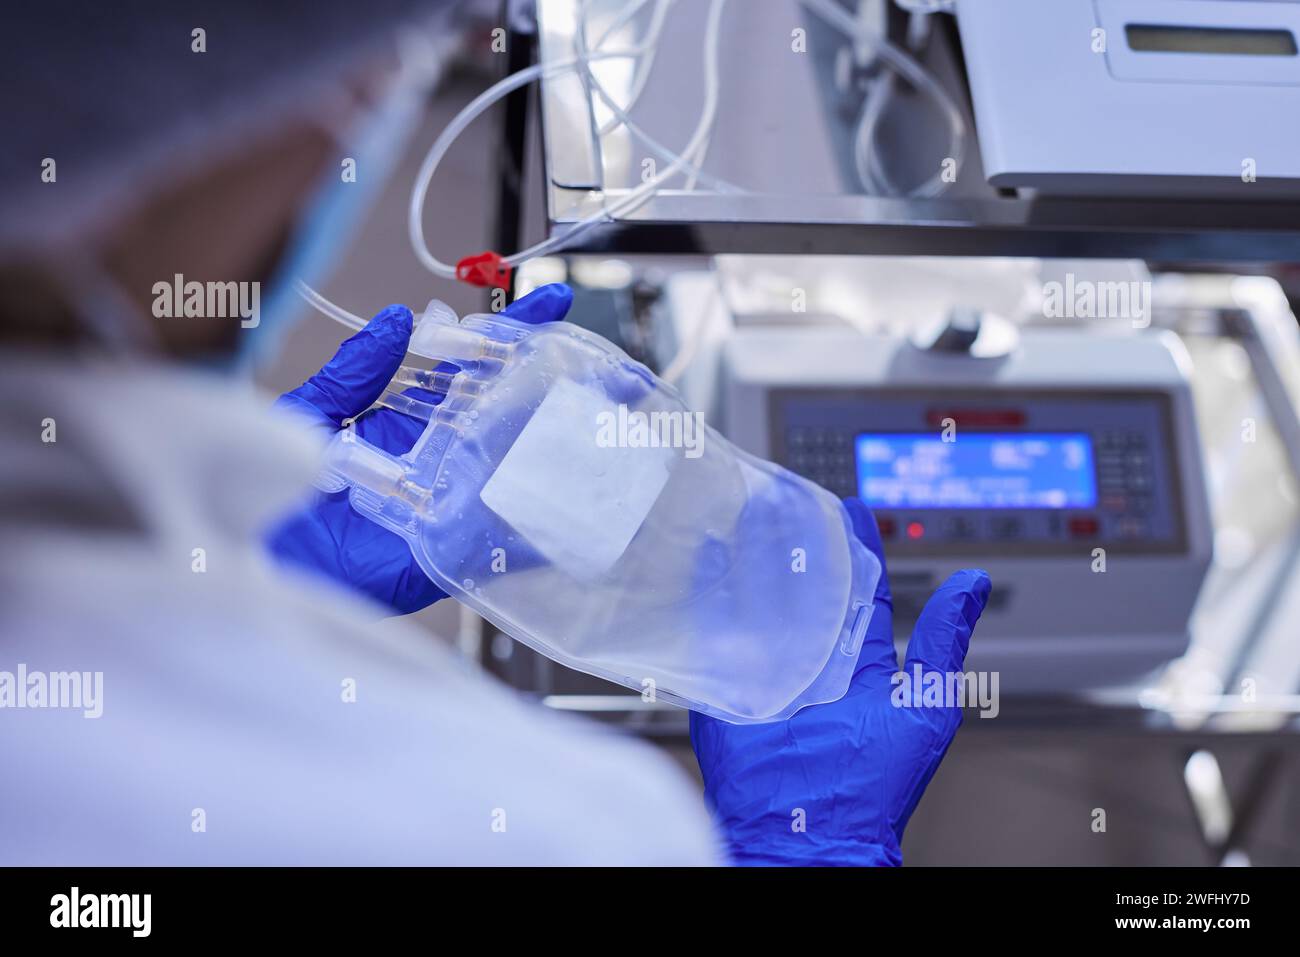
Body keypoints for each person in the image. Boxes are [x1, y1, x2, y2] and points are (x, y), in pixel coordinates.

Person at [0, 1, 989, 866]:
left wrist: (241, 564)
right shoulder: (552, 828)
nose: (372, 102)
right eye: (376, 68)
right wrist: (804, 849)